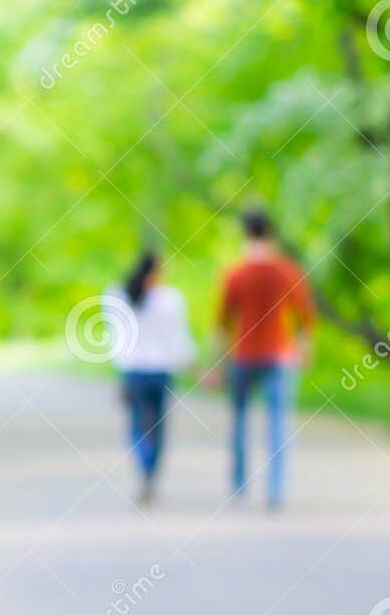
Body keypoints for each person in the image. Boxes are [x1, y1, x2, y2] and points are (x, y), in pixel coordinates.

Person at [213, 209, 316, 510]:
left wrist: (217, 363)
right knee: (279, 422)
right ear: (270, 233)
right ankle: (276, 490)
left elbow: (222, 322)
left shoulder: (235, 273)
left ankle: (239, 483)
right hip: (279, 355)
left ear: (245, 234)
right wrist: (303, 346)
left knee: (240, 419)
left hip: (243, 354)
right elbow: (306, 315)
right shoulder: (286, 270)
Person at [106, 250, 195, 506]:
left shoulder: (116, 295)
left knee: (137, 425)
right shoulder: (170, 300)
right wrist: (193, 367)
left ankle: (143, 467)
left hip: (133, 372)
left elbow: (116, 338)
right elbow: (178, 339)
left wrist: (119, 370)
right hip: (160, 372)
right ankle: (150, 472)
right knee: (158, 427)